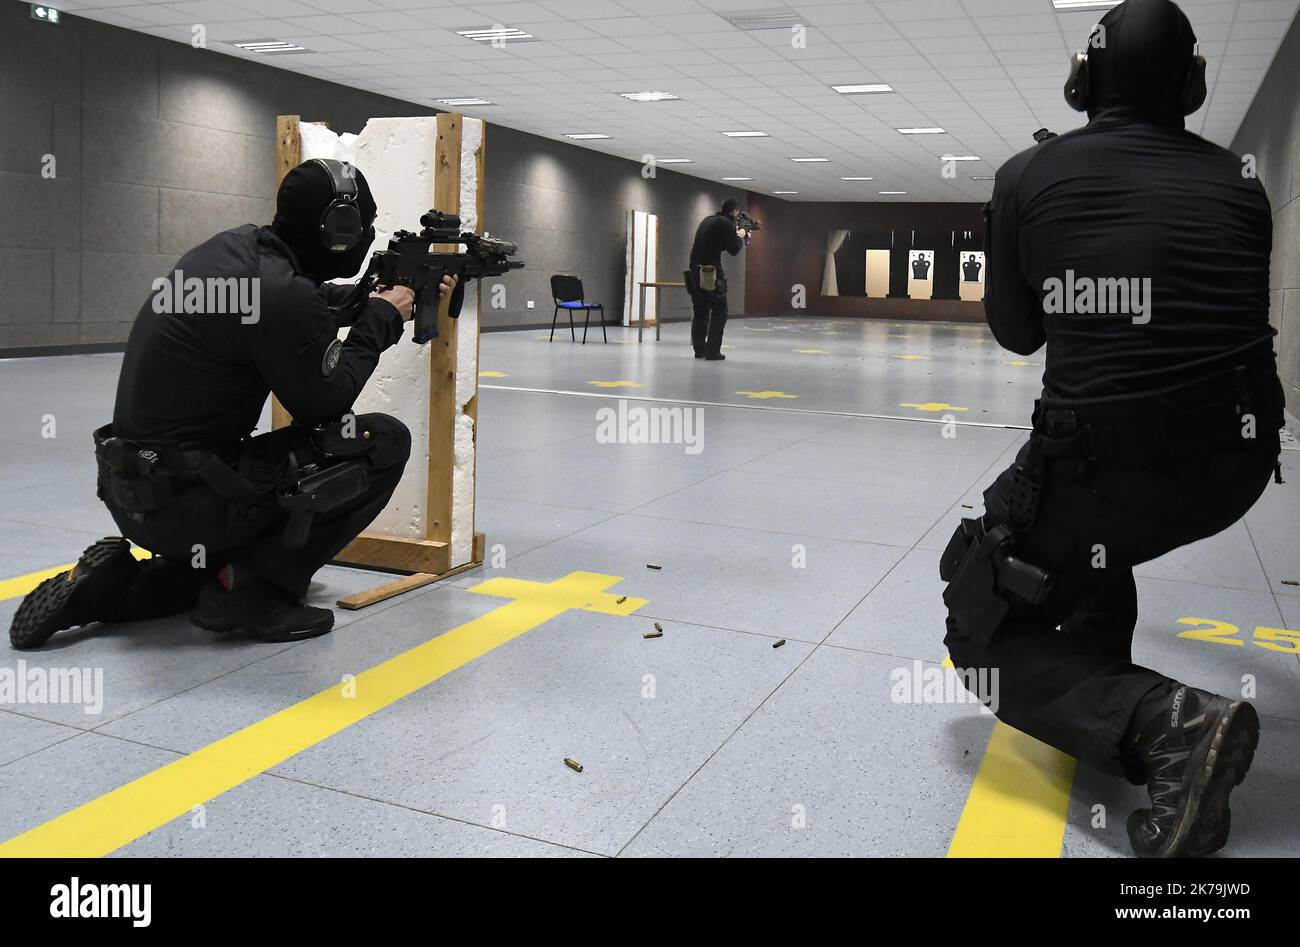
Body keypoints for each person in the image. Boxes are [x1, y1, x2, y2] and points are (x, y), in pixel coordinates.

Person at [939, 0, 1284, 858]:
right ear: (1194, 85)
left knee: (973, 610)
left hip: (1103, 467)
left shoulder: (1029, 174)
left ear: (1081, 82)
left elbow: (1018, 332)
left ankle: (1169, 723)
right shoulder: (1245, 182)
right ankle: (1108, 681)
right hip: (1237, 466)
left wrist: (1017, 215)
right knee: (1091, 542)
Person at [10, 159, 457, 648]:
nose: (364, 236)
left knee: (199, 575)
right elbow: (326, 404)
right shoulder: (282, 293)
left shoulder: (233, 252)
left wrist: (364, 298)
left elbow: (290, 309)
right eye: (359, 225)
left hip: (136, 488)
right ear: (336, 229)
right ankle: (252, 597)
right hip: (188, 499)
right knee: (379, 442)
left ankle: (114, 589)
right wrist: (379, 320)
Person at [687, 197, 747, 360]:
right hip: (710, 273)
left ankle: (699, 350)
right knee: (720, 310)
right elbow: (734, 249)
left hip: (694, 271)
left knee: (700, 310)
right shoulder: (725, 224)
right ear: (734, 211)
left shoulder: (708, 220)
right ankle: (713, 351)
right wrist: (741, 235)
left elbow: (717, 243)